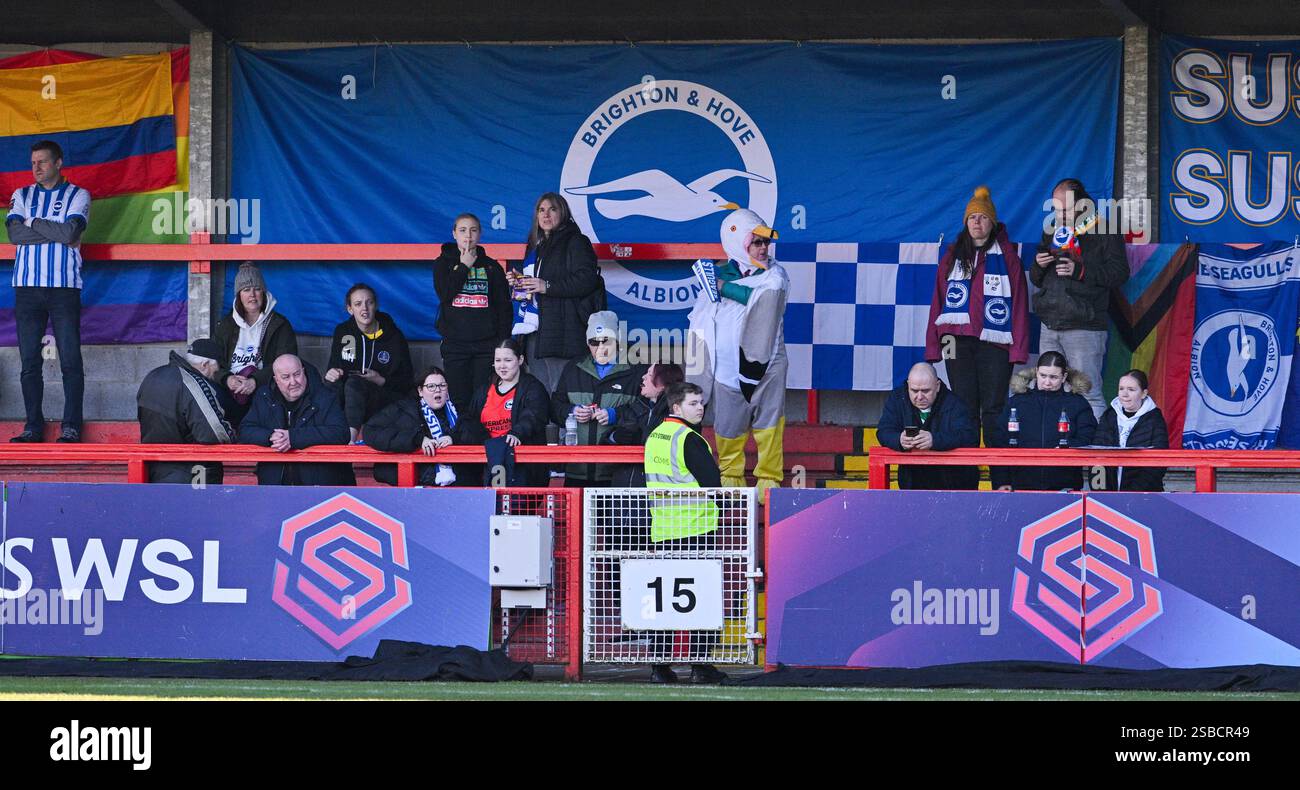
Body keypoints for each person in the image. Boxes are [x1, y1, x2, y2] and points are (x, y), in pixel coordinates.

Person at [687, 209, 789, 494]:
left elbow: (761, 298)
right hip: (727, 370)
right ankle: (730, 479)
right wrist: (697, 372)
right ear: (738, 243)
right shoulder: (717, 275)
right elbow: (699, 323)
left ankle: (769, 480)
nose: (763, 248)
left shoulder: (776, 274)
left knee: (769, 425)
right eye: (756, 242)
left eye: (765, 243)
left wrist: (721, 287)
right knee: (728, 427)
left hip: (767, 368)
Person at [925, 186, 1029, 442]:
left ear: (992, 222)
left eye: (983, 217)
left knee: (994, 408)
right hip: (956, 341)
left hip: (995, 342)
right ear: (965, 222)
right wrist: (933, 345)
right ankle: (966, 477)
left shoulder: (1008, 258)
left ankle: (999, 477)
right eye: (972, 217)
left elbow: (1019, 306)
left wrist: (1018, 350)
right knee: (964, 407)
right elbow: (937, 301)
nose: (977, 222)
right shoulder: (952, 256)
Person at [6, 140, 90, 443]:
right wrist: (52, 232)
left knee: (70, 360)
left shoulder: (78, 195)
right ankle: (33, 427)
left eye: (42, 162)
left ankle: (71, 427)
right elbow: (15, 235)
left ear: (58, 163)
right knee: (30, 361)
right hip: (27, 288)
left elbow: (70, 233)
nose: (36, 168)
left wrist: (32, 221)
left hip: (64, 287)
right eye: (32, 163)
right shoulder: (22, 194)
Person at [642, 381, 726, 685]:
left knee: (665, 601)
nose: (700, 408)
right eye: (693, 403)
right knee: (700, 600)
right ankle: (700, 665)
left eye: (701, 402)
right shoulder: (689, 438)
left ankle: (659, 666)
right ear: (676, 407)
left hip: (663, 530)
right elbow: (712, 485)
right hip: (696, 529)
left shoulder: (655, 436)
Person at [1032, 178, 1130, 417]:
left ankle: (1095, 450)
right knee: (1050, 392)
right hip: (1050, 323)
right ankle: (1057, 447)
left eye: (1065, 209)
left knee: (1087, 392)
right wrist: (1038, 264)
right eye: (1055, 208)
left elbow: (1120, 274)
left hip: (1084, 325)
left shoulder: (1105, 229)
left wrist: (1081, 271)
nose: (1060, 214)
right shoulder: (1051, 230)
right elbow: (1036, 279)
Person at [513, 192, 604, 393]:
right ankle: (544, 426)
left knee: (561, 390)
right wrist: (520, 284)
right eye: (541, 210)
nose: (546, 215)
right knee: (539, 390)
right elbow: (536, 284)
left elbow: (587, 279)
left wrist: (547, 286)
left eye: (552, 209)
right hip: (535, 329)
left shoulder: (576, 241)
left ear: (563, 213)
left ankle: (564, 427)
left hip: (564, 330)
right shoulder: (536, 245)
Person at [550, 310, 645, 487]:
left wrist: (615, 414)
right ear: (587, 343)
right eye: (594, 342)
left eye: (606, 341)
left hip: (617, 473)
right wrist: (572, 412)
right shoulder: (573, 368)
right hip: (576, 470)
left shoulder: (636, 370)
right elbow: (554, 408)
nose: (601, 347)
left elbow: (647, 410)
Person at [433, 213, 513, 413]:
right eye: (462, 230)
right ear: (454, 234)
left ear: (480, 234)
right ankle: (461, 442)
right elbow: (445, 294)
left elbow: (504, 308)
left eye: (473, 230)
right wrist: (464, 266)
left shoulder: (492, 267)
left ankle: (479, 443)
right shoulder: (442, 263)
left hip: (485, 346)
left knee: (483, 399)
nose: (468, 235)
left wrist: (502, 344)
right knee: (458, 400)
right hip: (455, 344)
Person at [240, 354, 354, 486]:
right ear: (276, 380)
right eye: (285, 377)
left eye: (297, 374)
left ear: (304, 371)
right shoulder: (264, 396)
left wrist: (292, 438)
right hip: (275, 487)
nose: (293, 382)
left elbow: (341, 433)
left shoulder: (325, 396)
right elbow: (245, 430)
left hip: (320, 487)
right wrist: (271, 436)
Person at [991, 351, 1098, 491]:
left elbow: (1090, 438)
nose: (1047, 382)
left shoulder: (1077, 403)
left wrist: (1068, 447)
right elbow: (1000, 442)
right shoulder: (1016, 402)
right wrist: (1002, 481)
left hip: (1065, 487)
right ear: (1036, 372)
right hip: (1020, 486)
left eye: (1053, 377)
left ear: (1064, 376)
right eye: (1043, 375)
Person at [136, 338, 235, 484]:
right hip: (193, 472)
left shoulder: (153, 376)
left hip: (154, 469)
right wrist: (234, 433)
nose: (215, 376)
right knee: (198, 507)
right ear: (205, 364)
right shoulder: (193, 382)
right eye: (216, 370)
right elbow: (215, 434)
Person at [324, 283, 415, 443]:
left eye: (369, 302)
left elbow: (407, 383)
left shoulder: (393, 336)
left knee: (354, 383)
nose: (364, 308)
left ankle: (350, 440)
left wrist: (380, 380)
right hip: (351, 399)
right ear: (350, 309)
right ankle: (327, 437)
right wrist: (332, 372)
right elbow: (334, 366)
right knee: (330, 386)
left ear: (376, 305)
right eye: (358, 304)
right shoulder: (343, 332)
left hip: (383, 399)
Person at [459, 338, 551, 487]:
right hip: (489, 461)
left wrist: (517, 433)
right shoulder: (484, 390)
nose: (502, 366)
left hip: (521, 465)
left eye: (508, 360)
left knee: (515, 508)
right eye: (498, 360)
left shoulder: (533, 387)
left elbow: (534, 415)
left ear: (520, 360)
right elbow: (469, 420)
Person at [214, 262, 297, 427]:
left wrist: (255, 381)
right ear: (239, 296)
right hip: (231, 388)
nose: (252, 294)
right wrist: (227, 379)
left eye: (257, 289)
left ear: (264, 292)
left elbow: (286, 363)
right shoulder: (226, 325)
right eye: (246, 290)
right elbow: (214, 362)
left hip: (264, 387)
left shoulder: (279, 324)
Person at [876, 362, 979, 490]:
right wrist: (899, 439)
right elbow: (883, 431)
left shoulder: (956, 403)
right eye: (914, 391)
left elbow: (969, 437)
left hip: (952, 484)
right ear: (908, 385)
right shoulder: (897, 399)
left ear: (937, 386)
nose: (919, 397)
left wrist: (934, 440)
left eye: (925, 391)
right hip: (912, 485)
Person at [364, 366, 470, 487]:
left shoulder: (458, 409)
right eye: (431, 386)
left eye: (442, 385)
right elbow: (371, 431)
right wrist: (417, 439)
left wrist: (453, 438)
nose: (437, 390)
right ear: (420, 391)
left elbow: (476, 432)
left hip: (459, 482)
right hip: (419, 482)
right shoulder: (404, 409)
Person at [607, 363, 686, 487]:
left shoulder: (677, 413)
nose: (643, 377)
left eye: (649, 374)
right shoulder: (633, 408)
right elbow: (606, 448)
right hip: (621, 489)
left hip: (658, 492)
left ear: (663, 384)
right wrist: (616, 437)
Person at [1093, 369, 1169, 491]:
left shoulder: (1155, 419)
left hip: (1143, 496)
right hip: (1107, 496)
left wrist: (1134, 493)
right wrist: (1100, 491)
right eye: (1121, 388)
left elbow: (1159, 461)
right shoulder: (1109, 416)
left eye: (1131, 389)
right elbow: (1096, 456)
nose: (1124, 394)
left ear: (1144, 393)